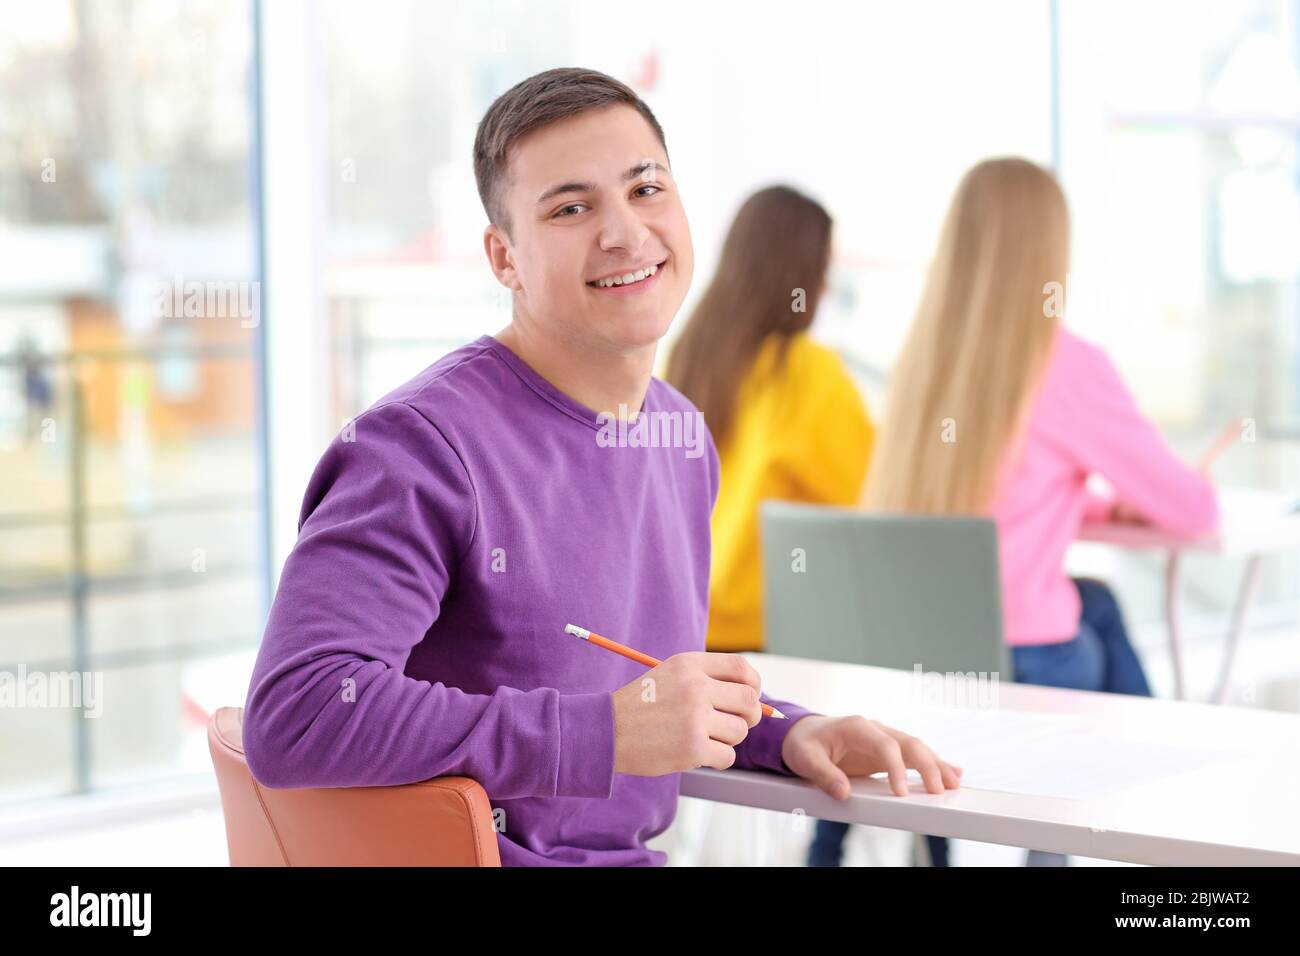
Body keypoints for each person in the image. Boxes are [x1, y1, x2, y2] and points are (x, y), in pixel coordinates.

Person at [242, 67, 961, 866]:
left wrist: (784, 731)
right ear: (503, 257)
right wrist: (603, 734)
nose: (624, 233)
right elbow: (298, 713)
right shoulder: (418, 448)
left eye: (646, 189)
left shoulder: (680, 436)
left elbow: (637, 684)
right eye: (572, 207)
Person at [863, 157, 1219, 866]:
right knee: (1098, 630)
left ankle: (1142, 822)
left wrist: (1077, 498)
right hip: (1024, 661)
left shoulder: (924, 358)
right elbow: (1193, 509)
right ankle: (1162, 824)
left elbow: (995, 493)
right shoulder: (1065, 363)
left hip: (918, 659)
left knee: (1099, 603)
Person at [665, 185, 873, 654]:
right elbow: (875, 499)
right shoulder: (803, 368)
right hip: (768, 640)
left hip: (684, 630)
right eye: (822, 268)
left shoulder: (688, 357)